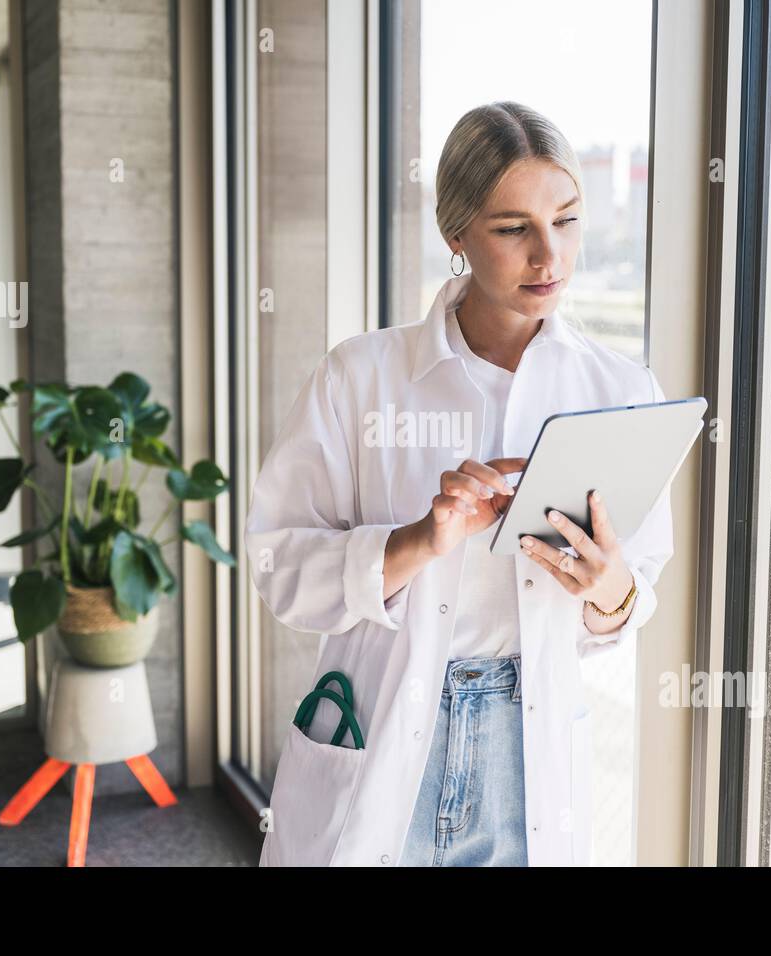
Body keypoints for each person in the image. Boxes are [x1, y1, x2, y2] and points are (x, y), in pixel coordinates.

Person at [246, 101, 675, 867]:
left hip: (525, 747)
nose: (550, 256)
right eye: (513, 229)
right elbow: (277, 567)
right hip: (383, 731)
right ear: (457, 236)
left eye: (567, 220)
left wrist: (609, 591)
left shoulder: (623, 390)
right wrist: (418, 542)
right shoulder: (360, 377)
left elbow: (632, 591)